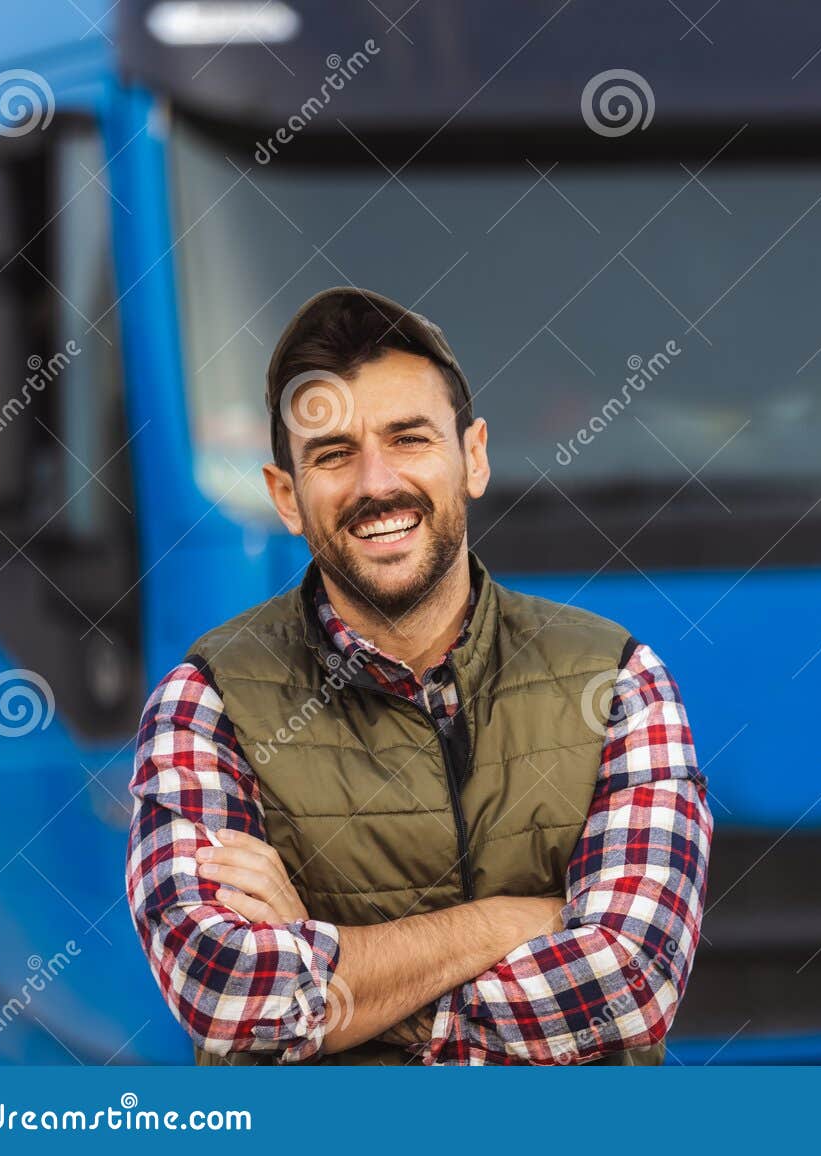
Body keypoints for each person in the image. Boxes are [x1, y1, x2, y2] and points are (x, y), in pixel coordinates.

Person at [124, 286, 711, 1065]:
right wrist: (508, 924)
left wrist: (332, 987)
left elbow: (631, 983)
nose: (376, 483)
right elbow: (227, 995)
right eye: (333, 455)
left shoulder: (616, 682)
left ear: (472, 457)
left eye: (408, 439)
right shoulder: (208, 701)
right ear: (285, 497)